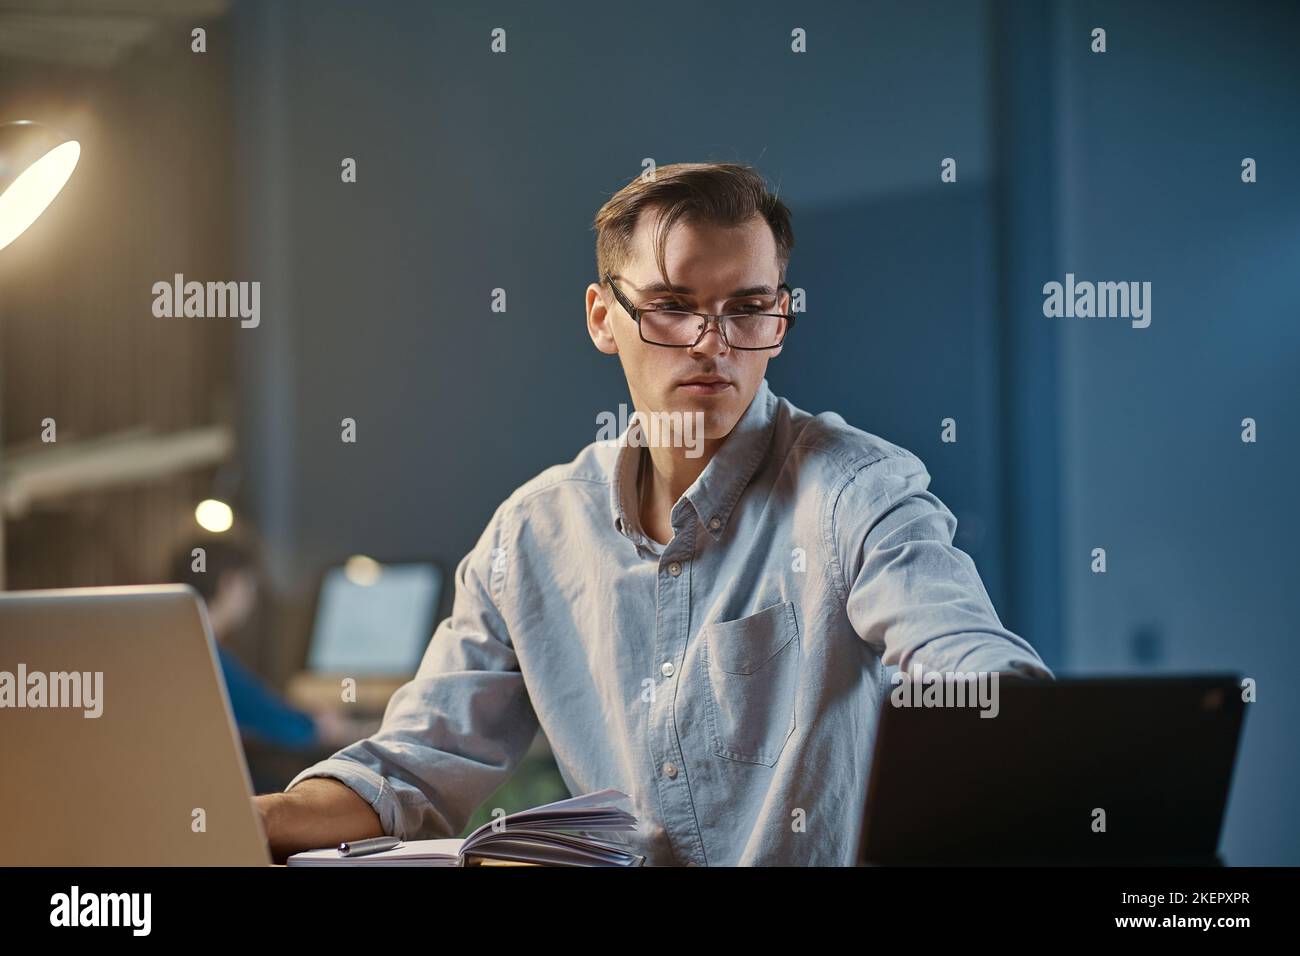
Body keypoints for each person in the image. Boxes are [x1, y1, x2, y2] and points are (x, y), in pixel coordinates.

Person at [255, 162, 1054, 865]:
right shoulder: (533, 535)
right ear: (604, 317)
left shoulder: (858, 491)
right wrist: (229, 825)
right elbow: (410, 768)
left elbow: (975, 672)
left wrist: (1002, 719)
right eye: (673, 306)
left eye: (748, 309)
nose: (713, 345)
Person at [170, 536, 360, 752]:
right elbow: (275, 721)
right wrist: (319, 726)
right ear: (229, 583)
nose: (251, 597)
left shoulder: (171, 652)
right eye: (249, 585)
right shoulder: (207, 655)